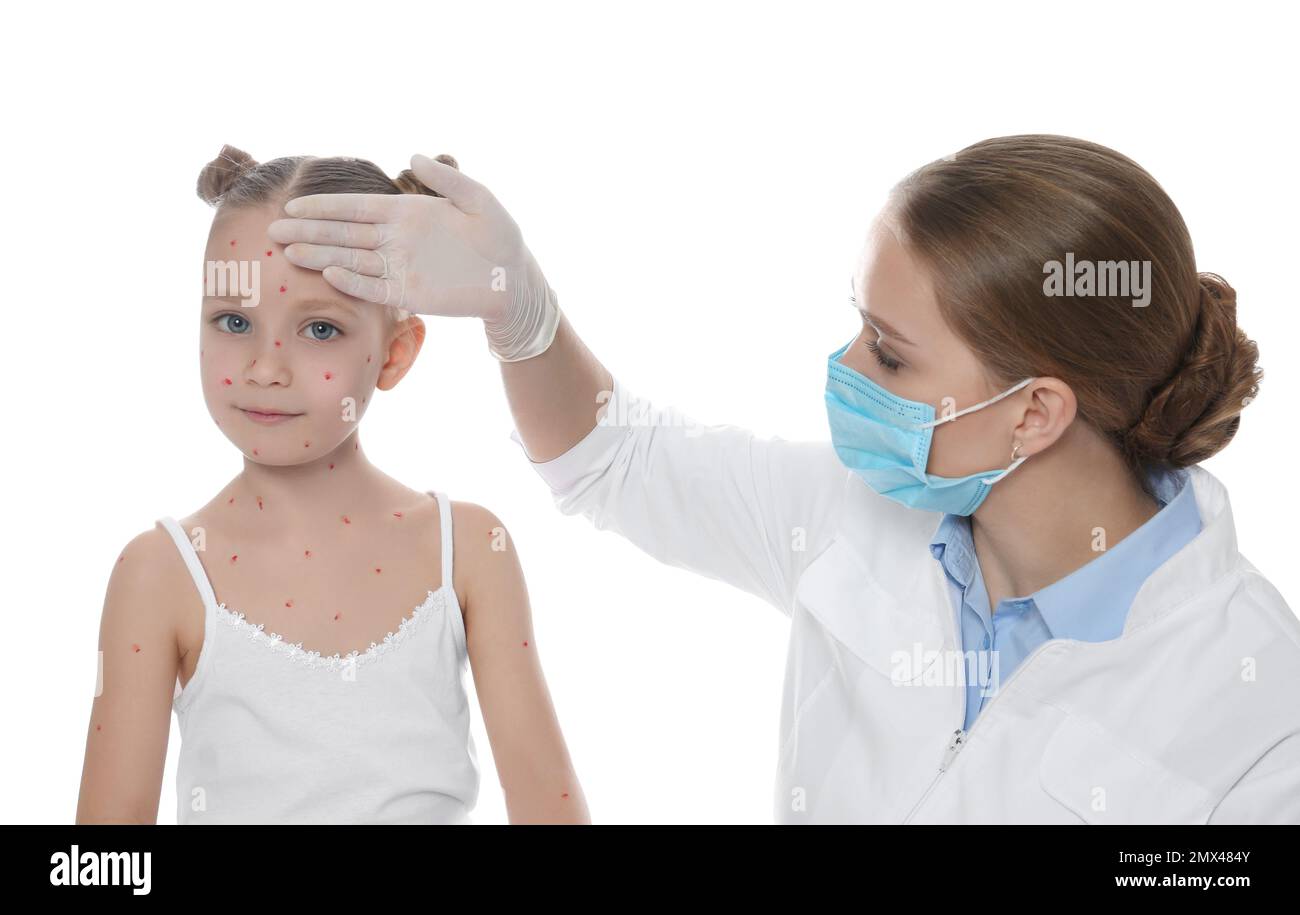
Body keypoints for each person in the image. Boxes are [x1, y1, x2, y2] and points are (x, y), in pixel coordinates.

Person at [265, 134, 1300, 823]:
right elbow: (615, 460)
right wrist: (518, 311)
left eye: (889, 355)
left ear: (1034, 411)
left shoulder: (1260, 713)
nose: (846, 373)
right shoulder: (853, 522)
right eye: (858, 325)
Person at [76, 146, 589, 825]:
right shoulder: (161, 573)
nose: (265, 367)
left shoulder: (469, 550)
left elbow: (551, 811)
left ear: (395, 352)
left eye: (320, 329)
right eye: (233, 321)